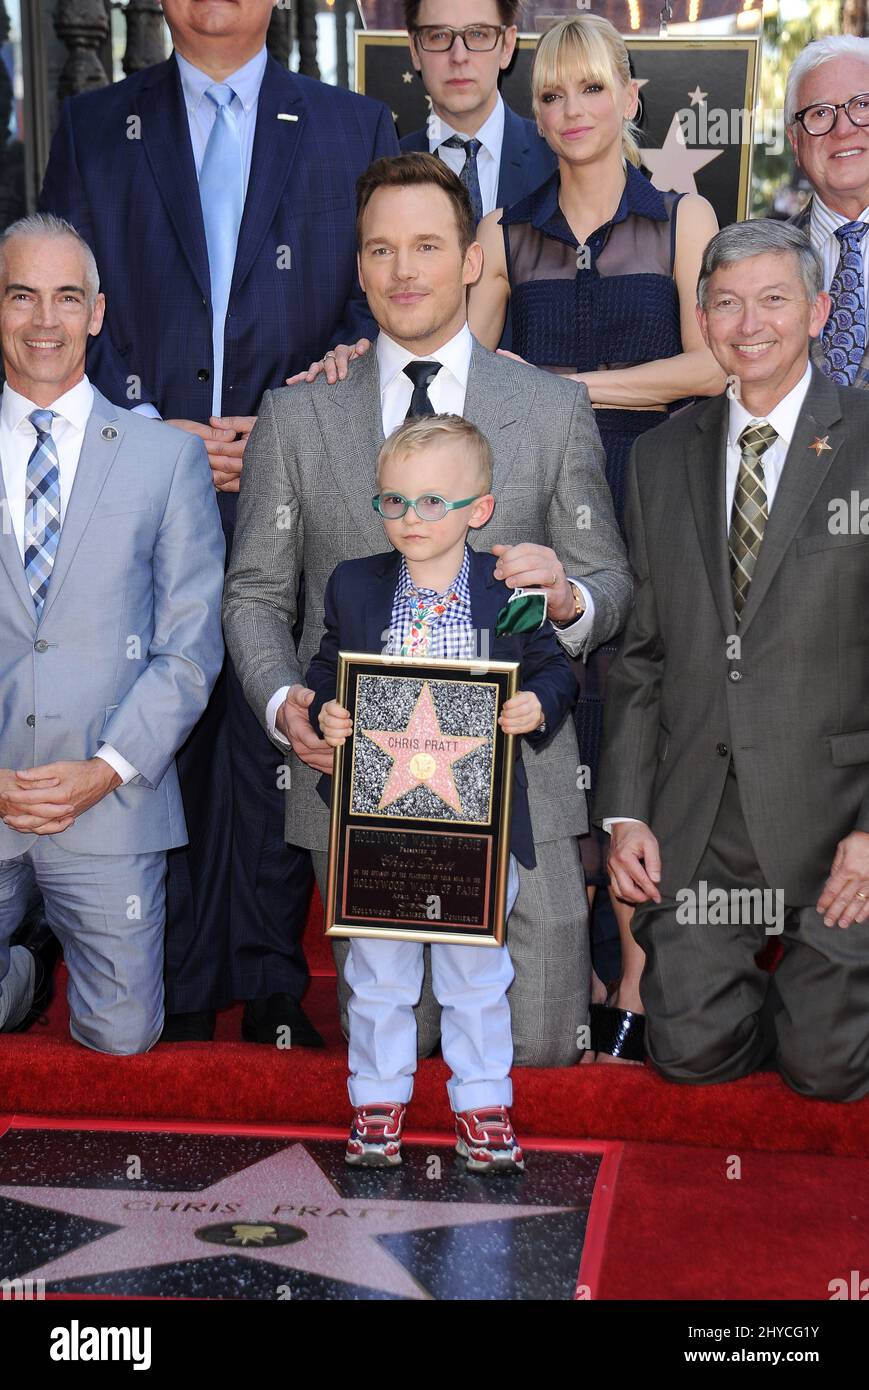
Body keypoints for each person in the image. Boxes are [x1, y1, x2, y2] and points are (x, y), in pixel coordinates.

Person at [38, 0, 400, 1045]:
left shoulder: (350, 127)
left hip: (296, 460)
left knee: (279, 710)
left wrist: (288, 414)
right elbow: (68, 300)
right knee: (165, 701)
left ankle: (271, 968)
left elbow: (370, 300)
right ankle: (184, 969)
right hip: (146, 463)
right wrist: (157, 427)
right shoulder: (100, 127)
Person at [223, 152, 631, 1069]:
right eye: (380, 249)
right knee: (394, 1049)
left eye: (426, 245)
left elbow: (612, 580)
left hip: (522, 783)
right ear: (358, 267)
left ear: (472, 260)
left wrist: (568, 598)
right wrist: (286, 702)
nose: (403, 271)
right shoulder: (297, 416)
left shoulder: (549, 407)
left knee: (537, 1050)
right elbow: (252, 594)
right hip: (368, 794)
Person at [468, 13, 725, 1063]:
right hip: (537, 526)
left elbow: (712, 367)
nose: (570, 112)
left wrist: (573, 392)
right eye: (551, 96)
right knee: (548, 738)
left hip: (653, 508)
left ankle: (634, 975)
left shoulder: (682, 217)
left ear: (629, 100)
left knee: (639, 736)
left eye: (589, 90)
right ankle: (552, 962)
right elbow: (468, 374)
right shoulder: (502, 229)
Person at [596, 219, 869, 1103]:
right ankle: (775, 1000)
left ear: (819, 311)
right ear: (703, 321)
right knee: (689, 1054)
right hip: (712, 834)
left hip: (842, 834)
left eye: (773, 299)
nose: (748, 323)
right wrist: (626, 815)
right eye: (724, 302)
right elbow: (639, 655)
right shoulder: (659, 457)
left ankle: (819, 1002)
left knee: (826, 1068)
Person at [307, 414, 578, 1168]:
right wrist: (328, 707)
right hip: (379, 824)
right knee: (378, 973)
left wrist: (539, 703)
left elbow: (556, 667)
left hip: (477, 825)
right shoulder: (354, 583)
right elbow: (325, 664)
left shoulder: (506, 587)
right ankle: (376, 1103)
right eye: (392, 502)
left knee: (475, 972)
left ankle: (483, 1104)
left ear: (479, 510)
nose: (409, 518)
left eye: (432, 502)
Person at [0, 214, 224, 1052]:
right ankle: (23, 978)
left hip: (109, 798)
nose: (45, 322)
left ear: (97, 313)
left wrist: (105, 770)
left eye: (67, 298)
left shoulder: (165, 458)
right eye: (22, 296)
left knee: (122, 1039)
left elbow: (191, 646)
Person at [399, 0, 556, 221]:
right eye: (439, 36)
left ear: (507, 46)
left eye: (478, 34)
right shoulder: (387, 165)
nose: (459, 56)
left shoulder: (557, 160)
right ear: (415, 49)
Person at [786, 35, 869, 388]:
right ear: (795, 142)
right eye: (820, 113)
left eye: (863, 105)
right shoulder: (757, 263)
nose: (844, 128)